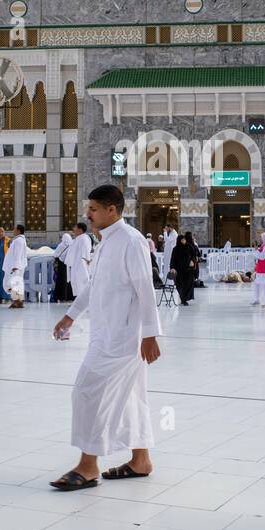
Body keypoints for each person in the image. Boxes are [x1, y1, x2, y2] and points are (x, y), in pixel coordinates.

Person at [50, 185, 162, 491]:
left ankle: (88, 465)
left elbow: (145, 289)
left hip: (123, 338)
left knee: (88, 391)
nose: (88, 214)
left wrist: (151, 334)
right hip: (106, 334)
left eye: (94, 209)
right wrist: (71, 315)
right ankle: (141, 460)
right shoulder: (105, 242)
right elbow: (95, 286)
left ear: (112, 210)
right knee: (131, 398)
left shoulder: (131, 241)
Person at [169, 230, 198, 306]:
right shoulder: (175, 249)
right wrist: (172, 267)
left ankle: (185, 299)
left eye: (184, 239)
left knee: (188, 284)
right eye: (182, 240)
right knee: (180, 285)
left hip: (188, 270)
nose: (184, 241)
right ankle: (183, 299)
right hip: (179, 270)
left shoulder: (189, 246)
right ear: (179, 240)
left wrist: (193, 261)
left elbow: (194, 255)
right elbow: (173, 259)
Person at [4, 224, 29, 308]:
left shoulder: (19, 241)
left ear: (18, 230)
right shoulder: (19, 240)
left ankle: (17, 301)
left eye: (14, 229)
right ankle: (18, 301)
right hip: (16, 266)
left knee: (11, 284)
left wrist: (15, 266)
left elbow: (18, 254)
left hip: (15, 267)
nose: (13, 230)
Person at [67, 223, 93, 299]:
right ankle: (79, 301)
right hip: (77, 265)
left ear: (80, 229)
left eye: (75, 227)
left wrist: (85, 263)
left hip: (81, 265)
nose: (74, 229)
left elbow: (85, 254)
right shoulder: (79, 238)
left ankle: (83, 303)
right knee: (78, 284)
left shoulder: (83, 239)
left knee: (82, 283)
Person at [252, 231, 265, 306]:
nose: (261, 239)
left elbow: (262, 257)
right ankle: (257, 299)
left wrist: (256, 250)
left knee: (264, 286)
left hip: (264, 269)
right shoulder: (264, 245)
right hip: (260, 268)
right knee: (257, 284)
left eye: (262, 237)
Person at [53, 232, 74, 302]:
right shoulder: (72, 244)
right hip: (70, 265)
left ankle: (61, 297)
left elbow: (55, 254)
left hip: (61, 265)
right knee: (69, 281)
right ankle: (69, 297)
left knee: (61, 280)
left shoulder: (61, 245)